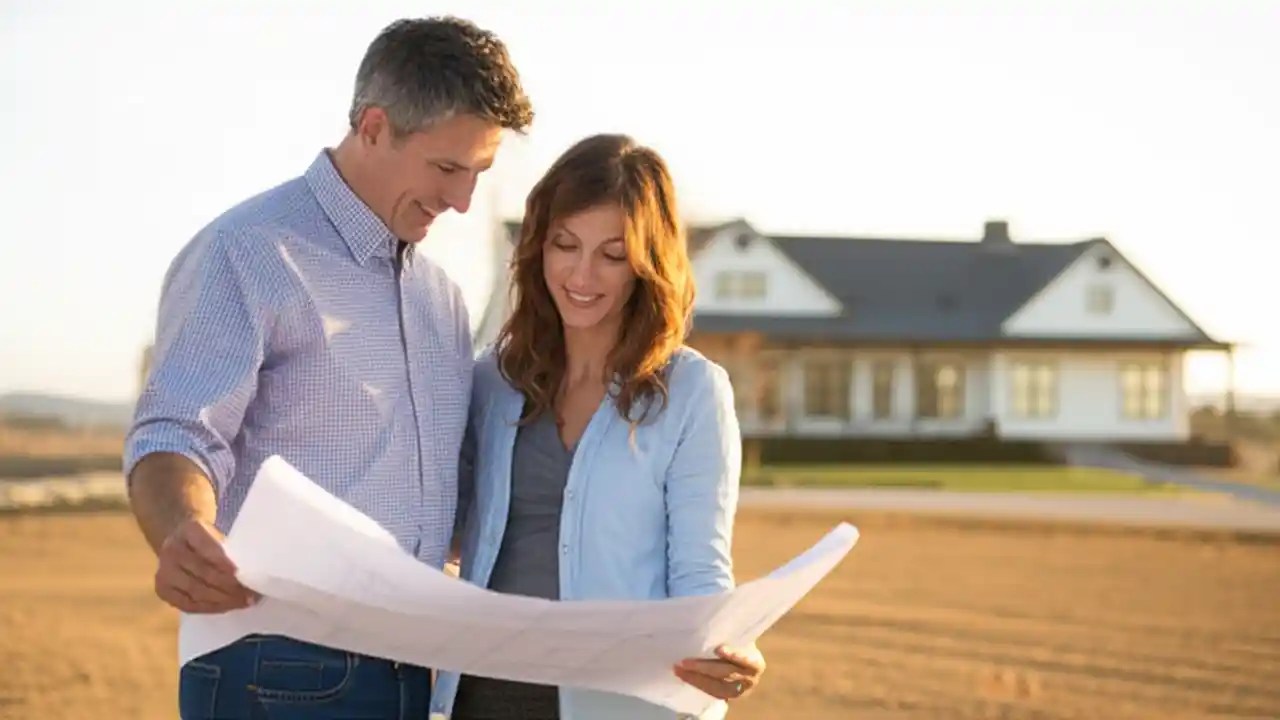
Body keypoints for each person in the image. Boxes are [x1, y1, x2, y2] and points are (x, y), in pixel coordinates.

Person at [123, 16, 533, 719]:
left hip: (415, 670)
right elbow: (175, 433)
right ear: (373, 127)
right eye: (446, 168)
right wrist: (182, 530)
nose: (463, 201)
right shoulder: (247, 251)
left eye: (479, 174)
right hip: (276, 664)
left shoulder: (441, 300)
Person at [433, 134, 767, 720]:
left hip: (624, 702)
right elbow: (442, 527)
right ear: (538, 247)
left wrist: (729, 648)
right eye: (565, 245)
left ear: (646, 264)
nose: (582, 275)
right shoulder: (493, 380)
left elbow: (700, 568)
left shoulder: (692, 391)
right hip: (488, 693)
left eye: (612, 255)